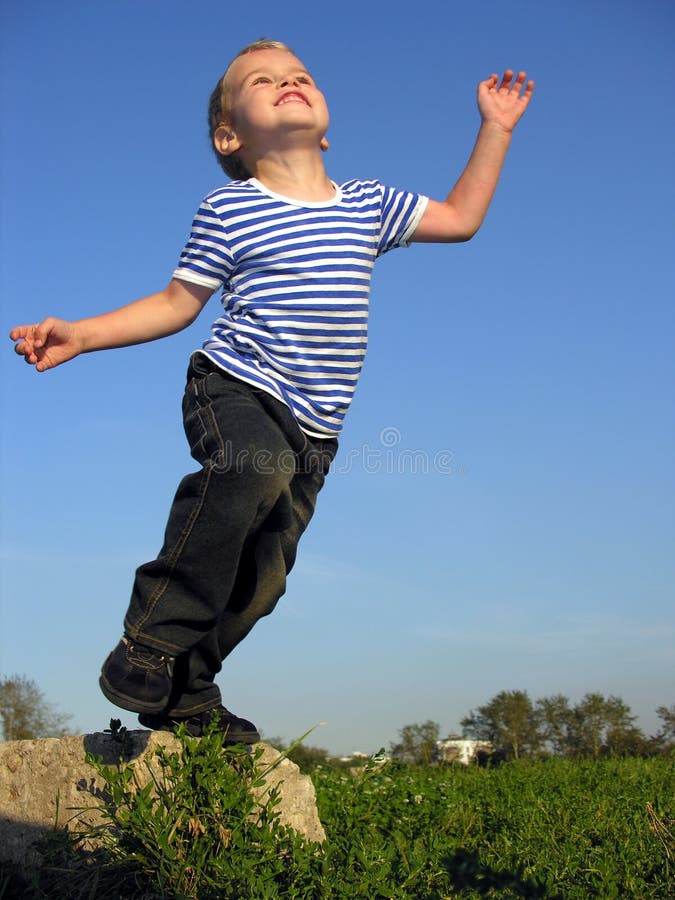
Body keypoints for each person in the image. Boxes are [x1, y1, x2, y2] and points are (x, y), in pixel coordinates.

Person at [9, 39, 534, 742]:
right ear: (229, 135)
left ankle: (186, 691)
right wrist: (83, 333)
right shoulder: (230, 208)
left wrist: (495, 128)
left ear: (326, 125)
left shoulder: (369, 204)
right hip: (237, 386)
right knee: (244, 476)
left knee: (265, 577)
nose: (288, 82)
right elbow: (174, 303)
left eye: (300, 75)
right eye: (262, 80)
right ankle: (149, 639)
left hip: (317, 430)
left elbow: (461, 218)